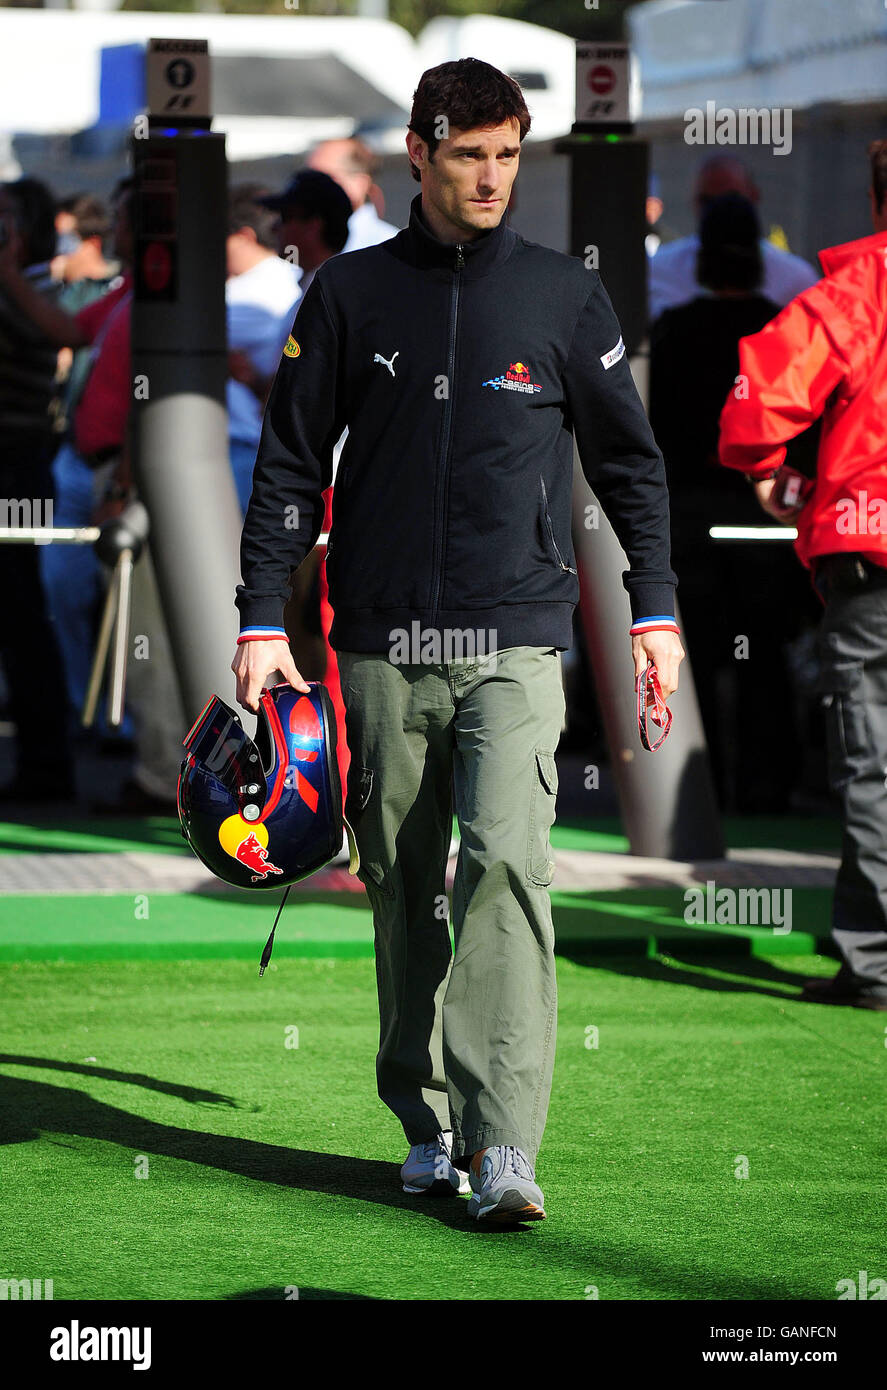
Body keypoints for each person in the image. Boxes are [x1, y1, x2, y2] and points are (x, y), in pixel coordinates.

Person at [232, 58, 683, 1223]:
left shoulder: (562, 297)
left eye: (508, 154)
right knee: (399, 890)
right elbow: (286, 465)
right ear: (417, 158)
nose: (491, 177)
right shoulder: (345, 295)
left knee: (503, 869)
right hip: (377, 642)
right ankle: (421, 1115)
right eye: (469, 154)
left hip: (516, 642)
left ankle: (503, 1147)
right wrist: (257, 621)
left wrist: (655, 613)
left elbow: (632, 466)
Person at [718, 138, 887, 1012]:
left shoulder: (857, 291)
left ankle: (875, 966)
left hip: (869, 558)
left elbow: (758, 401)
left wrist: (766, 475)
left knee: (872, 766)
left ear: (872, 196)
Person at [650, 192, 818, 811]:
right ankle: (768, 788)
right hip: (765, 521)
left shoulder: (669, 333)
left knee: (692, 664)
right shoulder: (781, 329)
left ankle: (702, 788)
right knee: (765, 657)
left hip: (689, 521)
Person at [0, 177, 76, 802]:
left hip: (17, 464)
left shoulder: (37, 288)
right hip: (17, 462)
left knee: (24, 612)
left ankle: (46, 766)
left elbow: (54, 333)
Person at [649, 154, 818, 323]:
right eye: (707, 201)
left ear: (754, 196)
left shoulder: (798, 280)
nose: (719, 211)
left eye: (731, 198)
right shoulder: (655, 270)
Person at [226, 183, 302, 514]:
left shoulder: (250, 292)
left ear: (243, 237)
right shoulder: (289, 278)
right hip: (256, 447)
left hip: (246, 447)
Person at [256, 169, 352, 298]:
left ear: (313, 225)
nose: (275, 228)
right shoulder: (325, 288)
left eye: (285, 217)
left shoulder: (336, 296)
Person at [306, 138, 399, 252]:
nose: (309, 189)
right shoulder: (298, 240)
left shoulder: (390, 248)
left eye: (323, 179)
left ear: (359, 183)